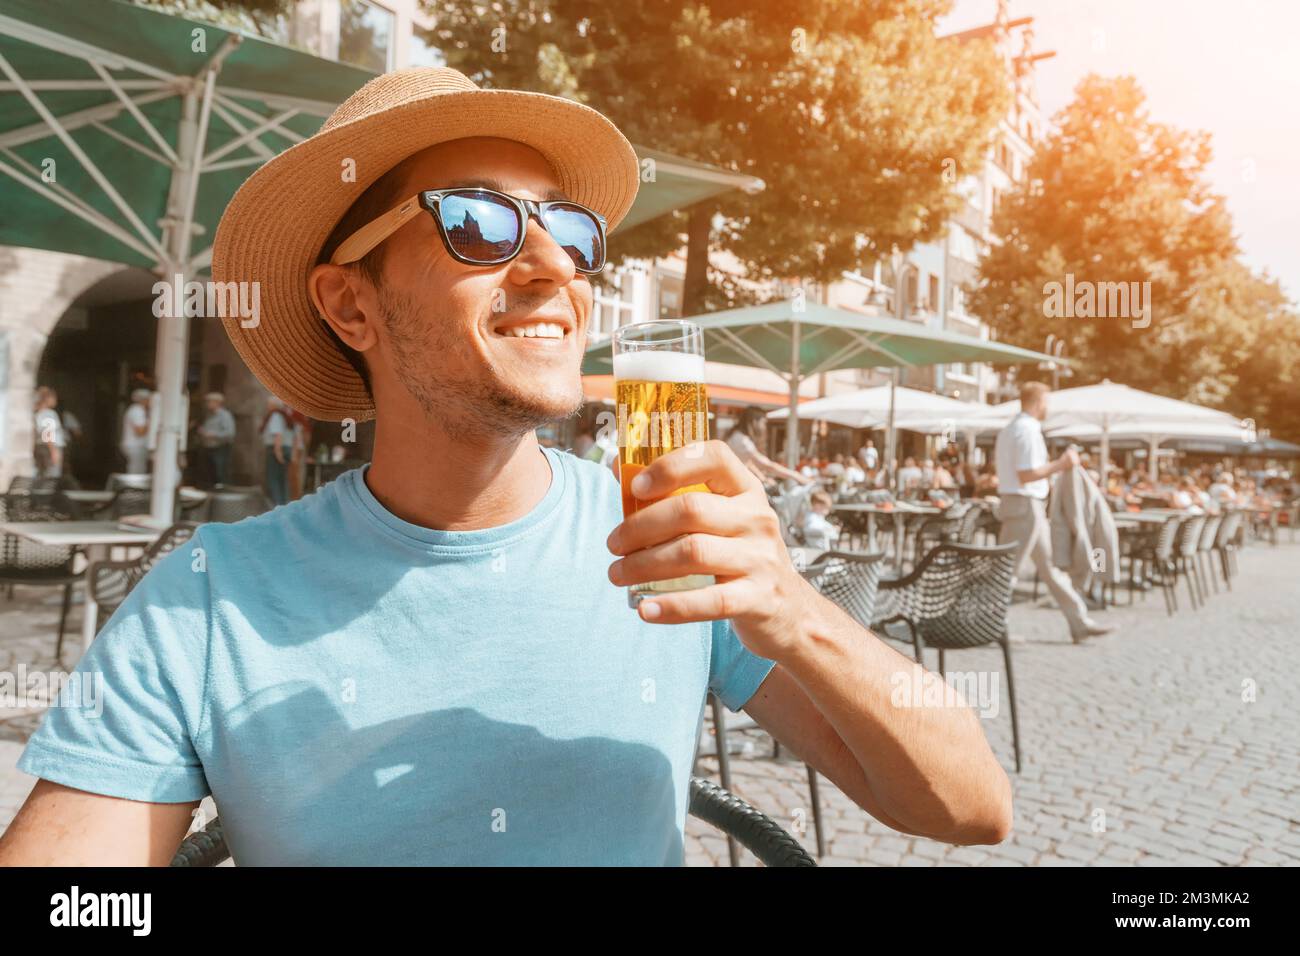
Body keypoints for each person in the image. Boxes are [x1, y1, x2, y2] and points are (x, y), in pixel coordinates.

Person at [0, 67, 1010, 866]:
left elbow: (969, 804)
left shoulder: (667, 547)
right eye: (477, 220)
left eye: (568, 228)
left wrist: (791, 607)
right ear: (351, 304)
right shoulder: (208, 602)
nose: (553, 266)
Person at [994, 382, 1115, 642]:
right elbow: (1026, 474)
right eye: (1047, 402)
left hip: (1025, 505)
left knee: (1049, 569)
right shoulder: (1025, 430)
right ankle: (994, 627)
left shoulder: (1012, 429)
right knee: (1008, 571)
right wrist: (1061, 464)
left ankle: (1079, 621)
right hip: (1025, 505)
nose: (1048, 407)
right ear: (1038, 402)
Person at [725, 407, 811, 487]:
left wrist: (763, 478)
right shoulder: (742, 440)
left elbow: (747, 462)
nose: (764, 427)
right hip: (731, 484)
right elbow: (768, 465)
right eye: (763, 422)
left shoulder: (738, 436)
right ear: (755, 422)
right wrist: (796, 476)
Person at [196, 392, 236, 488]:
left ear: (217, 402)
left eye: (209, 401)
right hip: (208, 447)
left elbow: (230, 433)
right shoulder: (209, 415)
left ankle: (223, 494)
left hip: (220, 448)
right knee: (209, 473)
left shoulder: (225, 416)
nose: (207, 404)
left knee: (220, 472)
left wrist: (213, 435)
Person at [260, 396, 291, 506]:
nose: (267, 406)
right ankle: (282, 503)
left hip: (276, 449)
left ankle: (277, 504)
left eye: (269, 404)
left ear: (273, 405)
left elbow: (278, 435)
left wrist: (278, 453)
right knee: (281, 478)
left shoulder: (275, 416)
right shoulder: (283, 416)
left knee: (274, 478)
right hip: (283, 448)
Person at [32, 386, 64, 481]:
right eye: (54, 397)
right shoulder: (48, 413)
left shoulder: (37, 413)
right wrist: (53, 451)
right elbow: (48, 433)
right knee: (51, 476)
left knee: (41, 475)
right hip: (49, 447)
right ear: (47, 399)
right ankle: (46, 495)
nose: (56, 400)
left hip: (40, 446)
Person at [120, 388, 151, 474]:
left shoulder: (140, 411)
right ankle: (132, 486)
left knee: (139, 468)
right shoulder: (137, 411)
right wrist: (152, 422)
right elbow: (140, 431)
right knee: (136, 470)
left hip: (137, 446)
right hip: (135, 446)